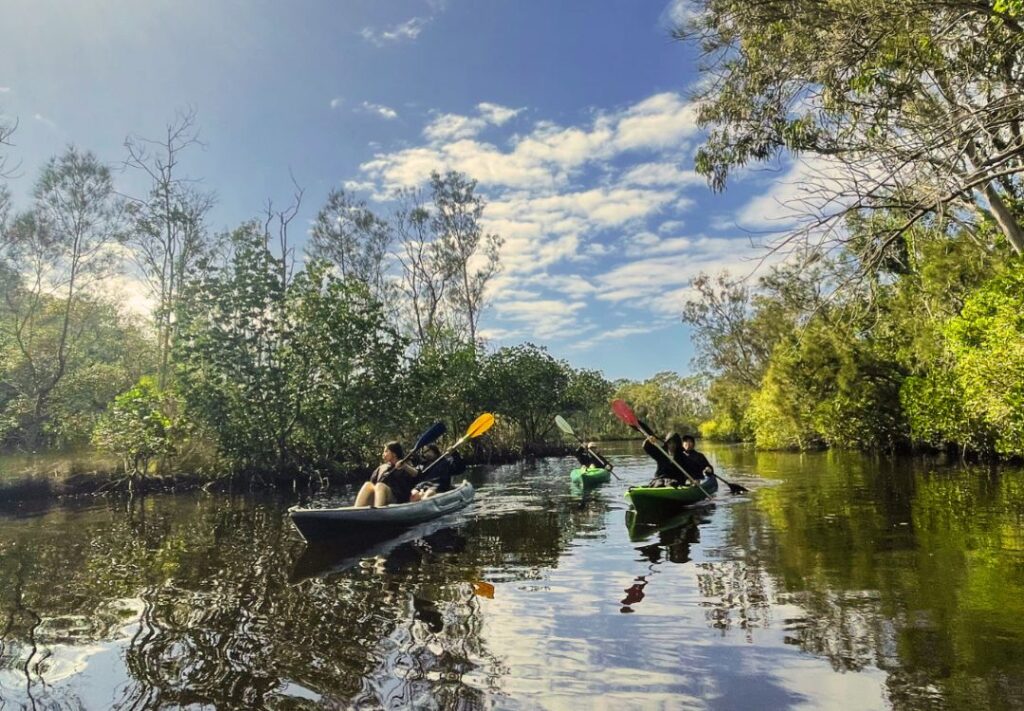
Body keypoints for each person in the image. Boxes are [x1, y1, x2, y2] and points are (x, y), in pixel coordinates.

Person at [354, 441, 418, 507]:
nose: (383, 454)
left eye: (386, 451)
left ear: (394, 454)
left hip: (399, 499)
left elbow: (416, 474)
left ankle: (379, 512)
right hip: (381, 498)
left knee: (380, 486)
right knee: (367, 484)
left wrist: (404, 466)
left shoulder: (405, 465)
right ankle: (356, 510)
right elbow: (373, 484)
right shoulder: (381, 468)